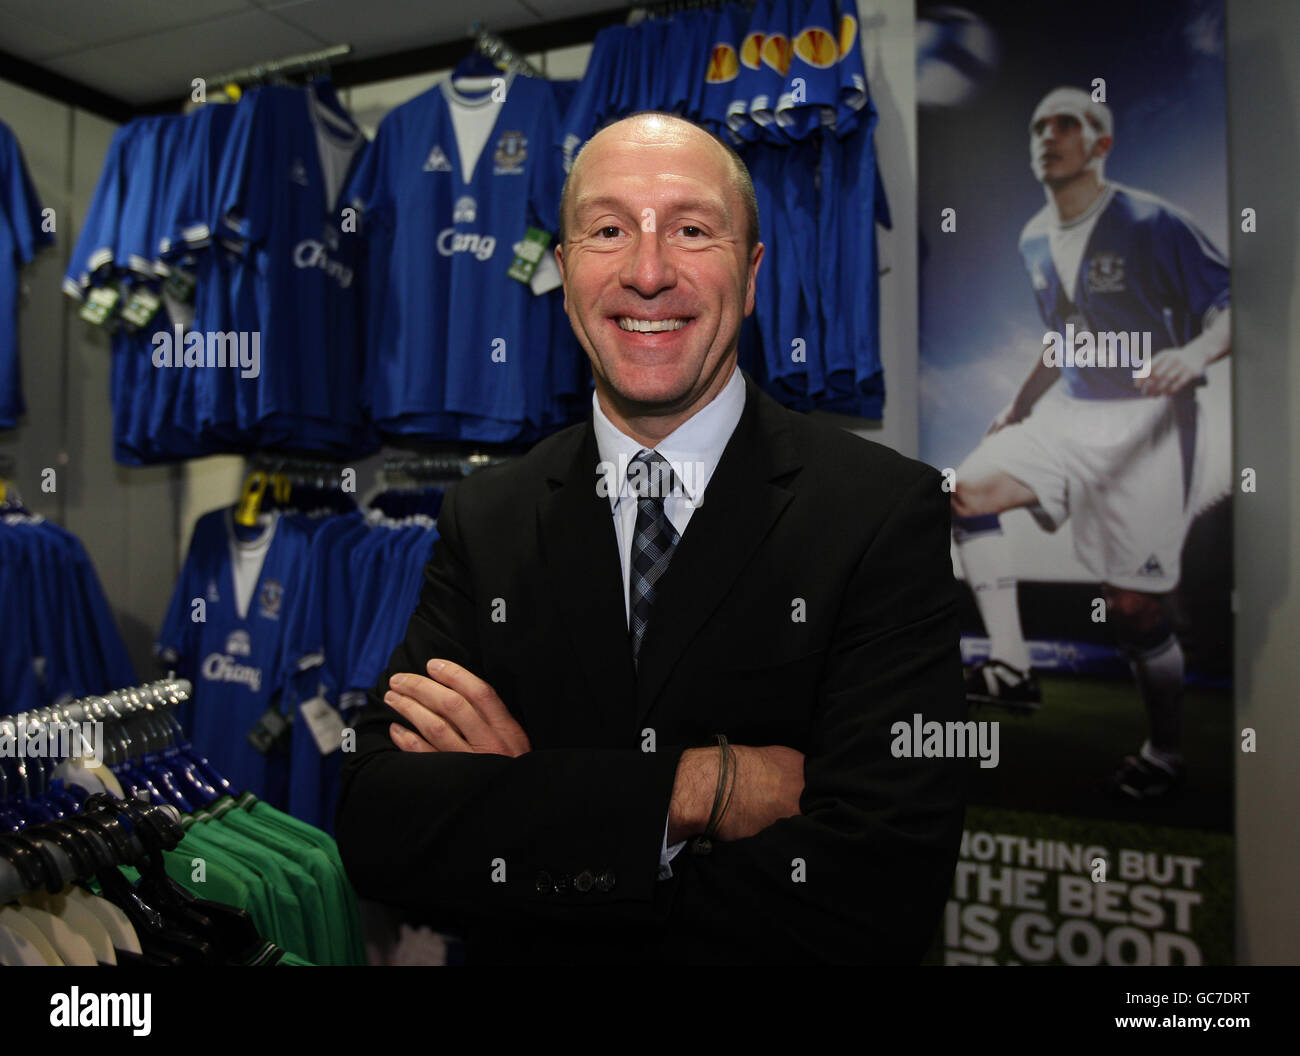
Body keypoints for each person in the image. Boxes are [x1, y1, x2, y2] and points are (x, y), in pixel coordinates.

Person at [336, 111, 967, 964]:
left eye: (692, 229)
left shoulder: (883, 511)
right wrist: (696, 788)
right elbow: (380, 823)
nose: (646, 271)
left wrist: (527, 804)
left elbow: (876, 887)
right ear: (564, 273)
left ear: (750, 276)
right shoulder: (486, 516)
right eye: (607, 229)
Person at [950, 87, 1231, 800]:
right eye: (1039, 124)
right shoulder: (1033, 236)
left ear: (1100, 146)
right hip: (1069, 413)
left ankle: (1165, 754)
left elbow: (1231, 307)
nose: (1049, 134)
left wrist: (1196, 356)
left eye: (1066, 124)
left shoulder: (1150, 219)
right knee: (966, 489)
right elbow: (1063, 335)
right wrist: (1016, 406)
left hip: (1148, 426)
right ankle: (1012, 668)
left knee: (1132, 605)